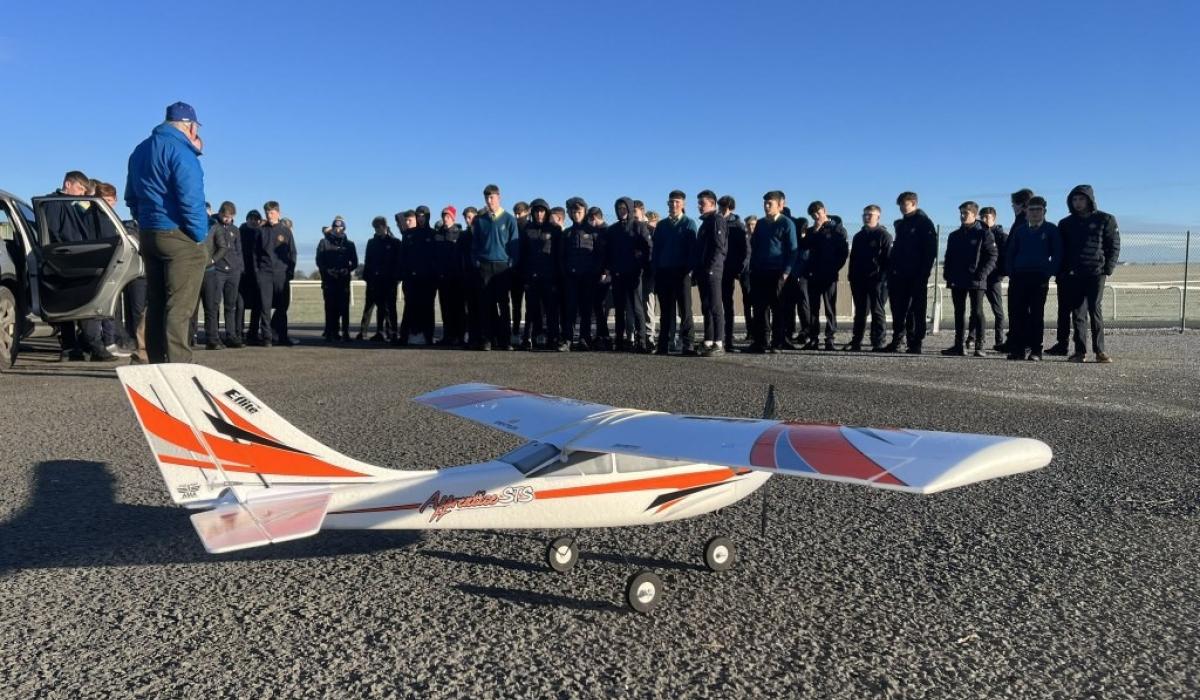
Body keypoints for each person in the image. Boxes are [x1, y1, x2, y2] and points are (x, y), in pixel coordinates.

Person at [124, 102, 208, 364]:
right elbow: (191, 199)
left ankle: (156, 362)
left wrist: (145, 222)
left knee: (157, 302)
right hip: (178, 235)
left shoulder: (140, 150)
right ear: (189, 126)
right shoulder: (181, 153)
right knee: (180, 306)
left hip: (149, 233)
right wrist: (198, 235)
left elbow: (131, 196)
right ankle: (179, 367)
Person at [1058, 185, 1120, 363]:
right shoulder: (1066, 224)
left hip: (1096, 273)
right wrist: (1063, 271)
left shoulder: (1105, 219)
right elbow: (1062, 250)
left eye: (1081, 199)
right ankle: (1079, 351)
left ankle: (1100, 351)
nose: (1078, 203)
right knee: (1078, 313)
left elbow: (1113, 245)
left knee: (1095, 309)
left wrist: (1108, 268)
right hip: (1074, 274)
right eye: (1075, 200)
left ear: (1090, 199)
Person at [1005, 196, 1061, 361]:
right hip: (1018, 277)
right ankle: (1018, 349)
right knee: (1017, 314)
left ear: (1044, 211)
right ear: (1026, 212)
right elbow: (1010, 253)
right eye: (1031, 210)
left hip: (1039, 278)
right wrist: (1010, 271)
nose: (1035, 213)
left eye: (1038, 210)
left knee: (1036, 314)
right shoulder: (1020, 230)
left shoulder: (1051, 229)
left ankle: (1036, 350)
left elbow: (1057, 253)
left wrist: (1048, 272)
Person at [941, 201, 997, 357]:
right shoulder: (954, 235)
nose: (962, 216)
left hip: (976, 279)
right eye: (961, 213)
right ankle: (959, 345)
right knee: (959, 312)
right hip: (957, 279)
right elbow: (949, 256)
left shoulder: (984, 233)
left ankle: (980, 346)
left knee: (977, 312)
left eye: (965, 213)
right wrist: (947, 273)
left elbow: (992, 255)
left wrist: (982, 273)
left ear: (974, 215)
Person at [884, 192, 937, 354]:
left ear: (914, 203)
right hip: (898, 274)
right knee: (898, 308)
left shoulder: (924, 223)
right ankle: (898, 339)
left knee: (916, 309)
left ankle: (915, 342)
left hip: (916, 274)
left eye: (904, 204)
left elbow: (930, 251)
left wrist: (924, 273)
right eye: (900, 204)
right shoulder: (902, 224)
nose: (901, 207)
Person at [470, 184, 521, 350]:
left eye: (492, 197)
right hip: (484, 266)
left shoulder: (509, 219)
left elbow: (514, 245)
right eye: (486, 198)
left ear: (499, 197)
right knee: (485, 305)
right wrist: (476, 261)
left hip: (502, 267)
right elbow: (475, 245)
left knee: (503, 305)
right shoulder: (480, 221)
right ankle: (487, 339)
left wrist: (512, 263)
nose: (489, 201)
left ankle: (505, 340)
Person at [746, 191, 797, 353]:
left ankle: (777, 342)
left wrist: (786, 272)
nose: (767, 207)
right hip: (760, 272)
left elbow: (793, 250)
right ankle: (760, 341)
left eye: (770, 204)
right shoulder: (760, 224)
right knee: (760, 309)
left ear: (780, 205)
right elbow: (754, 246)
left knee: (778, 309)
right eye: (765, 204)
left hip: (778, 272)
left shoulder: (786, 224)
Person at [652, 190, 698, 355]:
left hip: (682, 273)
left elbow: (693, 250)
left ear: (683, 204)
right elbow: (656, 251)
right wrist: (655, 271)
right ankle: (663, 344)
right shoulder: (662, 225)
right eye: (671, 202)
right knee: (666, 312)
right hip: (664, 272)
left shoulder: (689, 223)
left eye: (677, 202)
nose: (673, 205)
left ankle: (688, 344)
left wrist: (690, 271)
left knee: (685, 310)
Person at [605, 197, 652, 352]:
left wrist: (641, 265)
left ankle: (642, 341)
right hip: (618, 274)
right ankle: (619, 341)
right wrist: (610, 270)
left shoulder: (639, 227)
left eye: (624, 208)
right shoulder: (612, 230)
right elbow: (608, 253)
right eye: (619, 209)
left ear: (630, 210)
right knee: (619, 309)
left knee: (637, 308)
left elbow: (648, 249)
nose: (621, 211)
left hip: (634, 274)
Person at [802, 202, 849, 350]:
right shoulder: (811, 231)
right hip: (813, 274)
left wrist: (834, 267)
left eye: (818, 212)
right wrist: (813, 232)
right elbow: (804, 248)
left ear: (824, 211)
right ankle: (813, 338)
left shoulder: (837, 229)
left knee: (830, 308)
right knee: (813, 308)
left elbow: (843, 252)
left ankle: (830, 338)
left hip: (829, 275)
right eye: (813, 215)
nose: (816, 216)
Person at [518, 199, 563, 350]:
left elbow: (559, 256)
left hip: (550, 277)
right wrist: (524, 276)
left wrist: (558, 278)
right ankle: (529, 338)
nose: (539, 214)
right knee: (531, 310)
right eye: (536, 211)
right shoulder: (526, 229)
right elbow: (523, 255)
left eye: (542, 211)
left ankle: (553, 338)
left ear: (546, 212)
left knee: (551, 310)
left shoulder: (555, 230)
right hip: (531, 276)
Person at [846, 205, 892, 352]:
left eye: (870, 215)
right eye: (864, 214)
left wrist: (882, 279)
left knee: (877, 311)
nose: (867, 217)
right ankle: (856, 341)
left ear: (878, 217)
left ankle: (878, 342)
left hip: (877, 281)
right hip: (859, 280)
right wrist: (852, 277)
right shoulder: (858, 237)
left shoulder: (884, 235)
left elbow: (888, 260)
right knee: (860, 312)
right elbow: (853, 259)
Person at [253, 201, 297, 346]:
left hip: (281, 275)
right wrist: (257, 272)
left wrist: (289, 272)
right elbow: (255, 254)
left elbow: (292, 253)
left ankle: (283, 336)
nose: (269, 215)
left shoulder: (285, 231)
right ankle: (267, 337)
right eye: (267, 213)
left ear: (278, 213)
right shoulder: (261, 231)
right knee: (265, 307)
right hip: (264, 274)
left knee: (282, 307)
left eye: (271, 212)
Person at [201, 201, 244, 349]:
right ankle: (214, 336)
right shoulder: (213, 225)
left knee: (230, 305)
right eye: (225, 216)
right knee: (213, 305)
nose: (227, 219)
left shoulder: (235, 230)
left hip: (233, 271)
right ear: (220, 214)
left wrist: (239, 268)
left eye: (230, 217)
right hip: (217, 270)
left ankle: (231, 335)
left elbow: (239, 251)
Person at [560, 197, 602, 350]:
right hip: (571, 278)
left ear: (584, 212)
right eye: (573, 211)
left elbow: (599, 255)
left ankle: (585, 338)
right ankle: (567, 340)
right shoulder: (566, 233)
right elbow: (561, 257)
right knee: (570, 309)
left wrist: (595, 272)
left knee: (586, 310)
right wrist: (565, 273)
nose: (576, 214)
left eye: (579, 211)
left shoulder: (593, 232)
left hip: (588, 278)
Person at [694, 190, 727, 356]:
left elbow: (719, 247)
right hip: (702, 270)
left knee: (715, 306)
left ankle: (719, 342)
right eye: (699, 203)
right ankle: (708, 339)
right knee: (706, 305)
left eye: (703, 203)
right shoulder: (705, 223)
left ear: (712, 204)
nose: (699, 206)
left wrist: (712, 268)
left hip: (713, 270)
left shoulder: (717, 220)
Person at [316, 215, 358, 342]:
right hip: (329, 280)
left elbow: (355, 262)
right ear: (332, 228)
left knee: (344, 307)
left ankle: (345, 332)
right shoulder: (324, 242)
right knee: (330, 307)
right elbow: (319, 260)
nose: (338, 230)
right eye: (335, 227)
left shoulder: (350, 244)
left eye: (340, 227)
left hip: (343, 279)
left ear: (344, 229)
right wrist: (326, 271)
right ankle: (330, 332)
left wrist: (348, 270)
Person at [398, 209, 436, 345]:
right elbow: (403, 256)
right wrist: (405, 274)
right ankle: (405, 336)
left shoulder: (433, 234)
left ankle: (428, 336)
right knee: (410, 307)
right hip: (411, 278)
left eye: (423, 216)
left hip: (428, 278)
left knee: (427, 308)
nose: (421, 219)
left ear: (428, 217)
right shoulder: (408, 234)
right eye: (418, 216)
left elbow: (435, 257)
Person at [358, 216, 399, 341]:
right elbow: (367, 261)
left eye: (379, 227)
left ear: (385, 226)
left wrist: (396, 278)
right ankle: (366, 332)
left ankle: (392, 332)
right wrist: (367, 277)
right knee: (369, 306)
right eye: (375, 228)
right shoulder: (372, 243)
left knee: (389, 307)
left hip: (389, 280)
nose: (377, 230)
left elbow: (398, 262)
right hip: (373, 280)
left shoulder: (395, 242)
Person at [433, 206, 467, 346]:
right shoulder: (438, 234)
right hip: (442, 277)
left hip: (457, 278)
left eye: (448, 216)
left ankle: (460, 336)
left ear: (453, 217)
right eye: (443, 216)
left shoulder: (459, 234)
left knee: (458, 309)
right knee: (445, 308)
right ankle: (447, 336)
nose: (445, 219)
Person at [979, 207, 1009, 351]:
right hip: (978, 278)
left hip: (994, 279)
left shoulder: (1002, 236)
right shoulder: (978, 234)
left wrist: (999, 275)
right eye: (982, 217)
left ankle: (999, 340)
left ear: (994, 218)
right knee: (976, 310)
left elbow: (1004, 258)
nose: (984, 220)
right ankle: (974, 338)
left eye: (987, 217)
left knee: (998, 311)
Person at [587, 206, 613, 349]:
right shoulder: (597, 231)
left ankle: (604, 335)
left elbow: (609, 254)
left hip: (604, 275)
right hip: (597, 273)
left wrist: (606, 271)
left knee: (599, 305)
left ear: (594, 218)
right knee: (597, 306)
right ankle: (602, 334)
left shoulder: (606, 232)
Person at [509, 200, 530, 344]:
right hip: (515, 272)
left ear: (527, 212)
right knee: (516, 305)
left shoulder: (531, 228)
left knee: (531, 305)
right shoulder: (513, 227)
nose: (517, 216)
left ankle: (528, 334)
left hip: (528, 272)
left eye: (520, 213)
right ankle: (515, 331)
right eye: (515, 213)